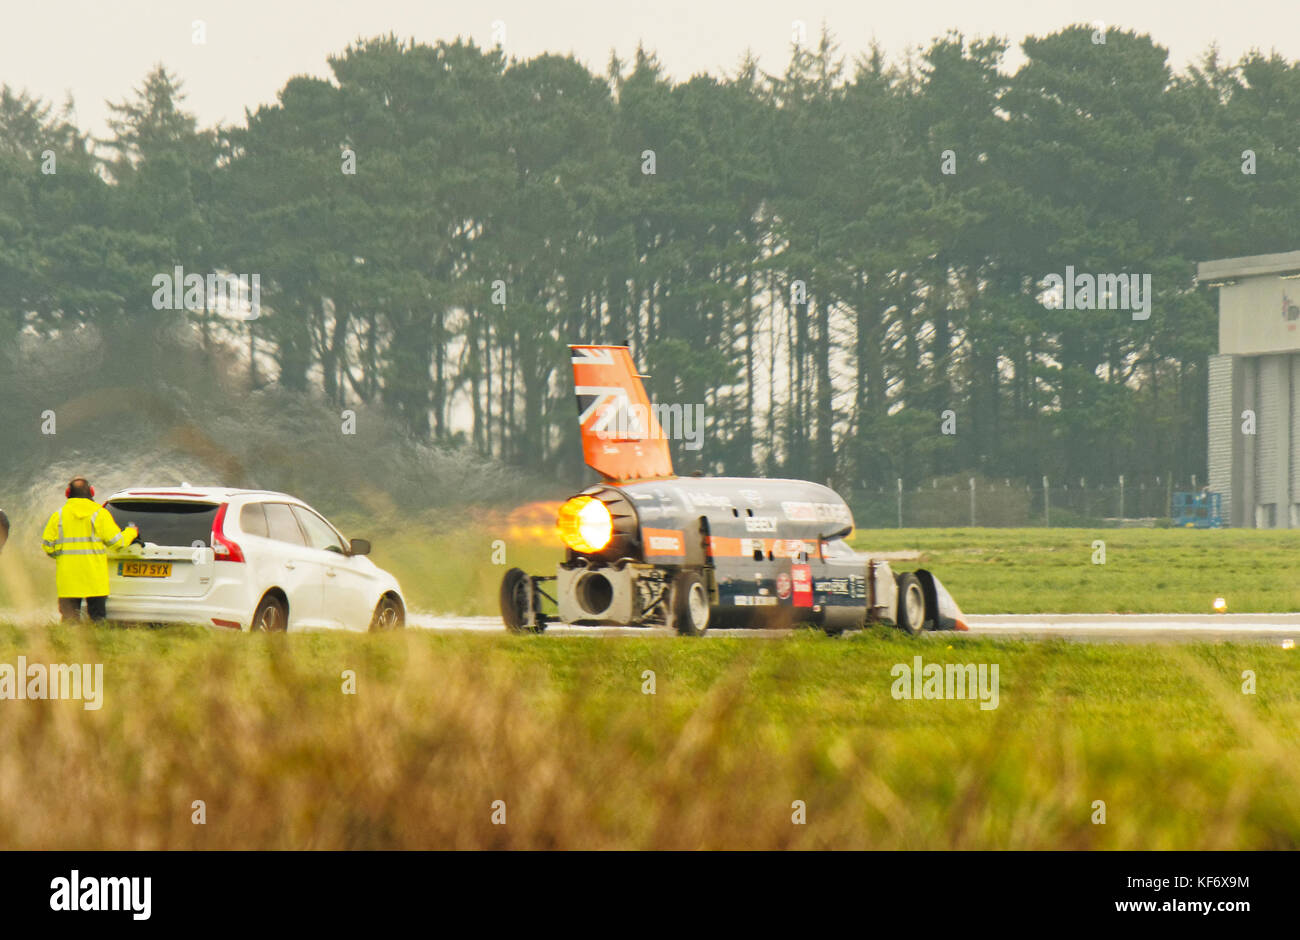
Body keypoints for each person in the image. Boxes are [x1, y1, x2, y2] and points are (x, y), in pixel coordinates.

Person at [40, 477, 138, 623]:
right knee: (98, 621)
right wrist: (131, 532)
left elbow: (48, 546)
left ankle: (69, 645)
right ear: (91, 492)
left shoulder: (58, 516)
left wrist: (62, 557)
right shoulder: (100, 514)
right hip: (95, 580)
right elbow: (118, 543)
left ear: (68, 493)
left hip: (68, 580)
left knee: (69, 622)